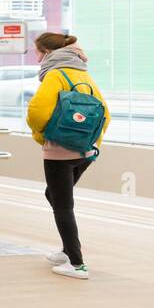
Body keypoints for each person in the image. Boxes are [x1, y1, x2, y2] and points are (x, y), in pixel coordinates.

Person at [26, 32, 110, 280]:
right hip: (84, 151)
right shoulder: (82, 73)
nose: (36, 57)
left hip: (59, 152)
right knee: (53, 195)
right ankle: (67, 249)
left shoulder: (55, 74)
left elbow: (37, 111)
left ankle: (77, 263)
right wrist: (91, 142)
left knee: (63, 206)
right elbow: (105, 112)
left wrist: (42, 137)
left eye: (37, 51)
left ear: (47, 53)